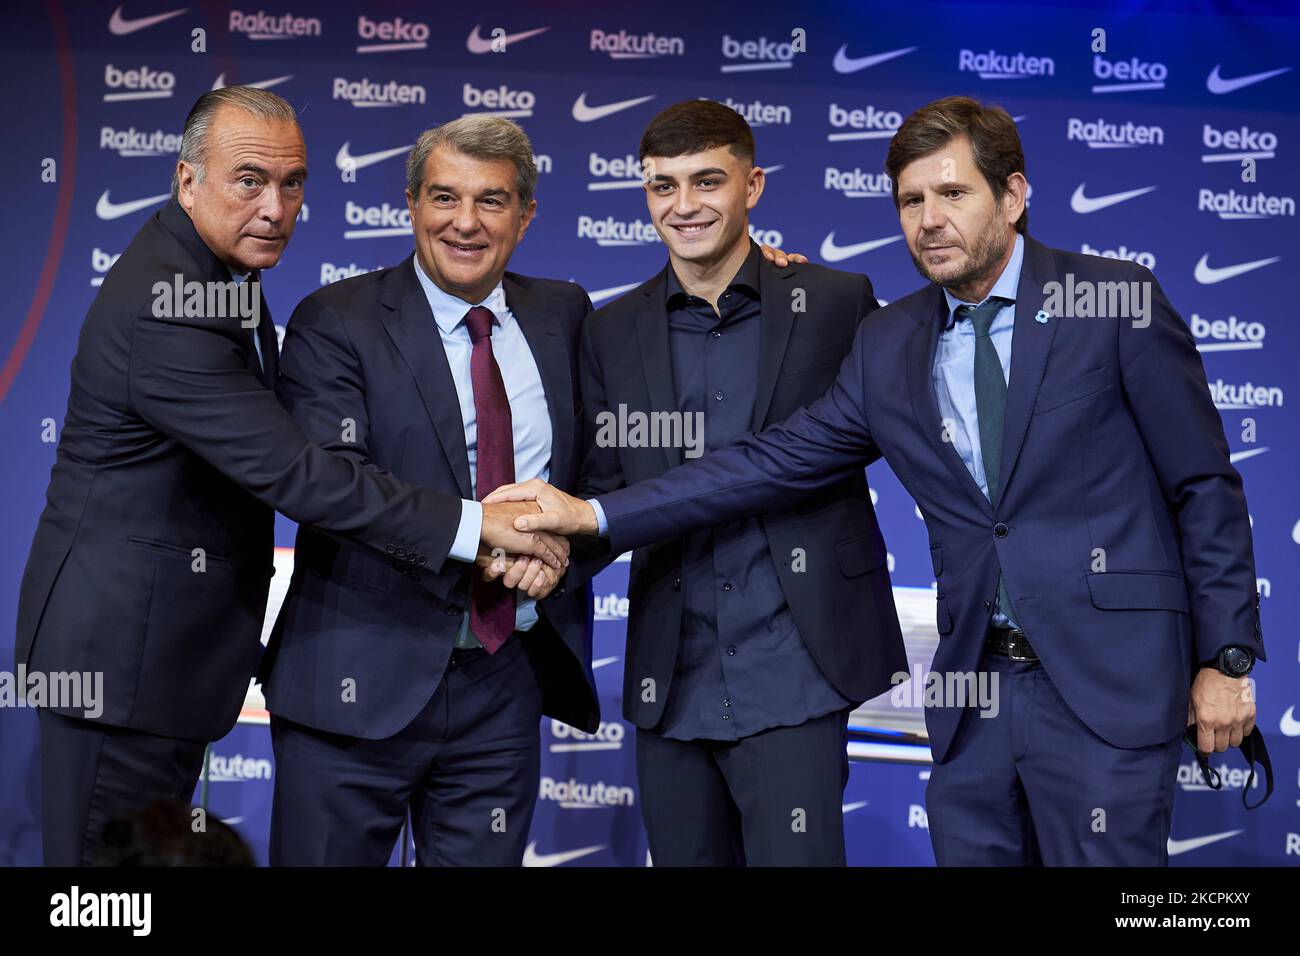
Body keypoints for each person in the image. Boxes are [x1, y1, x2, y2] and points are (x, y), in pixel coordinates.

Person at [488, 96, 1264, 866]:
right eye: (911, 201)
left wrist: (1225, 659)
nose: (930, 219)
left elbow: (1203, 485)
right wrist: (591, 515)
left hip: (1109, 687)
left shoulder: (1111, 301)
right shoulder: (888, 341)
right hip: (972, 691)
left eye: (953, 193)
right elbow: (771, 461)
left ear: (1015, 195)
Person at [16, 87, 562, 866]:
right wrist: (478, 527)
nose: (275, 207)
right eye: (249, 181)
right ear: (186, 180)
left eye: (294, 182)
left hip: (154, 665)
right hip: (120, 670)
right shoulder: (170, 303)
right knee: (109, 900)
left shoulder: (213, 271)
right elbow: (299, 474)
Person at [527, 100, 905, 866]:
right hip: (673, 676)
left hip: (799, 667)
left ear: (753, 186)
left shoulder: (834, 302)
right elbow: (604, 486)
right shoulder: (610, 327)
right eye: (662, 186)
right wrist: (540, 552)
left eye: (707, 181)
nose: (685, 206)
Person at [260, 116, 598, 866]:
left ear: (527, 213)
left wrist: (557, 553)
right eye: (444, 197)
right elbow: (330, 485)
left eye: (492, 201)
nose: (466, 223)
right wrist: (484, 529)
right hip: (353, 681)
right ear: (411, 204)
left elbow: (601, 470)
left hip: (505, 685)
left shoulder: (565, 314)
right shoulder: (336, 320)